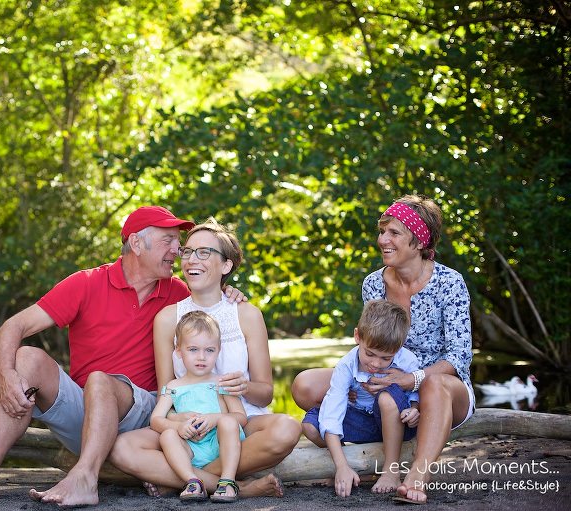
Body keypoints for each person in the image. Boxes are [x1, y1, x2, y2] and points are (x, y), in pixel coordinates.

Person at [0, 206, 245, 507]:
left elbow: (212, 304)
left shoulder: (178, 294)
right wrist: (5, 375)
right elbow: (15, 325)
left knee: (100, 380)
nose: (177, 250)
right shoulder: (86, 283)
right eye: (168, 240)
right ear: (137, 243)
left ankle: (85, 478)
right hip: (86, 412)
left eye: (177, 242)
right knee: (25, 359)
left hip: (143, 415)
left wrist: (231, 292)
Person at [291, 194, 474, 504]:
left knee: (434, 384)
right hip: (381, 380)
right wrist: (353, 381)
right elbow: (371, 344)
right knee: (305, 384)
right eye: (382, 231)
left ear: (418, 242)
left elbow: (459, 356)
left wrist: (412, 380)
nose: (383, 240)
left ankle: (417, 474)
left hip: (443, 388)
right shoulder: (373, 284)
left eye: (394, 233)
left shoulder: (450, 283)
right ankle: (364, 445)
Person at [110, 219, 301, 498]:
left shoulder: (246, 314)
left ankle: (184, 478)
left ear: (226, 265)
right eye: (187, 252)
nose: (190, 260)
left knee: (286, 429)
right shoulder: (167, 319)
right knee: (121, 448)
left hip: (240, 421)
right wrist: (181, 421)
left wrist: (244, 387)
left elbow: (266, 394)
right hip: (189, 423)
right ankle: (236, 486)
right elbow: (168, 390)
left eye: (204, 252)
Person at [301, 299, 421, 497]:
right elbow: (332, 411)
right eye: (370, 354)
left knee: (386, 397)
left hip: (396, 422)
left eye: (386, 358)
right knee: (310, 425)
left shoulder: (407, 360)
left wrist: (414, 408)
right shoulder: (346, 365)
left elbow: (416, 391)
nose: (375, 363)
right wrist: (341, 466)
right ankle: (348, 469)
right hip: (361, 422)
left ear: (399, 348)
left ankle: (391, 470)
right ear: (357, 336)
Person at [151, 311, 247, 502]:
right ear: (179, 350)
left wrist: (215, 418)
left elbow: (241, 417)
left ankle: (227, 481)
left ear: (218, 351)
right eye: (193, 349)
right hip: (190, 448)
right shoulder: (172, 387)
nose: (201, 357)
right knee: (168, 435)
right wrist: (178, 427)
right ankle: (192, 481)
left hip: (219, 444)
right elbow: (155, 420)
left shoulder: (222, 383)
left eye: (209, 350)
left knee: (228, 422)